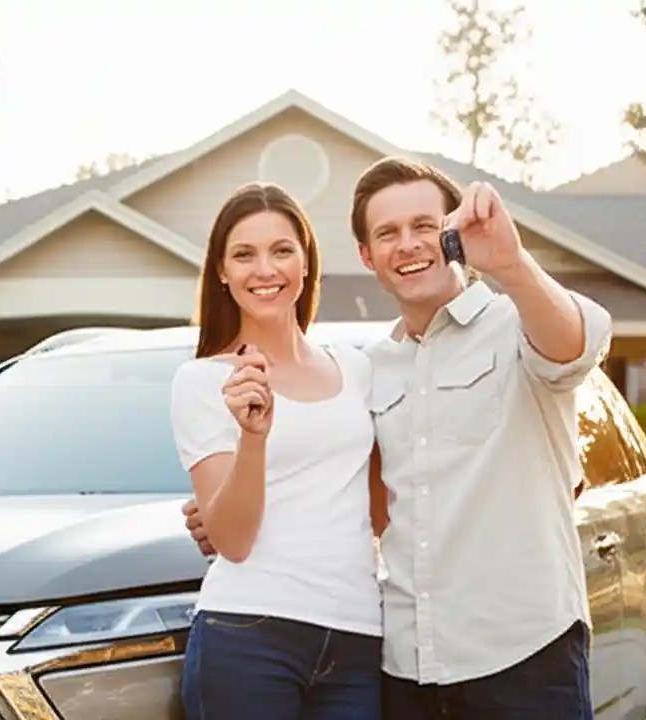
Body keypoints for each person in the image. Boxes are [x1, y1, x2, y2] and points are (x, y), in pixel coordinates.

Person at [184, 157, 612, 719]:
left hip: (523, 655)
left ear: (455, 235)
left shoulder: (518, 323)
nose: (407, 245)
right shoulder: (371, 369)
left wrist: (511, 265)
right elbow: (363, 497)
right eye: (387, 233)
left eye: (424, 227)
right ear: (367, 256)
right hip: (407, 666)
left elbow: (575, 347)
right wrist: (221, 509)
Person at [170, 181, 387, 720]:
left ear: (307, 261)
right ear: (222, 271)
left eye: (282, 250)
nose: (264, 269)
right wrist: (253, 437)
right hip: (247, 634)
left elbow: (386, 507)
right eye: (244, 254)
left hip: (357, 636)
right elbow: (233, 540)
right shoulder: (201, 383)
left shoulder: (358, 368)